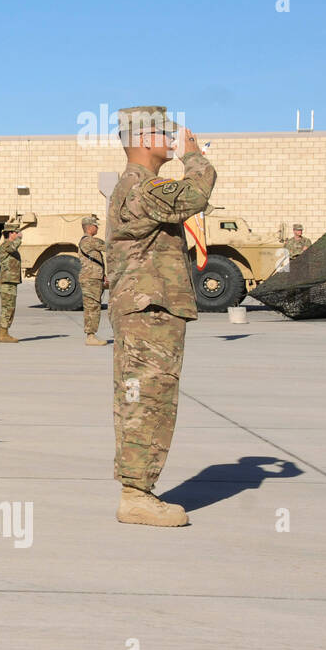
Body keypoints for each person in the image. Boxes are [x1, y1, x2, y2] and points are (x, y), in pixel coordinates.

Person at [108, 106, 216, 527]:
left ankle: (137, 491)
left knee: (145, 398)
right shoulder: (142, 187)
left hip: (148, 311)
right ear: (143, 139)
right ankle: (136, 495)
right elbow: (195, 195)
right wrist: (194, 156)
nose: (172, 139)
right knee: (146, 401)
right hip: (147, 312)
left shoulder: (137, 186)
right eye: (165, 133)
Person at [79, 214, 107, 346]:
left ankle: (91, 335)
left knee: (93, 306)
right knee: (92, 307)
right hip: (91, 279)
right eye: (96, 226)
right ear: (90, 227)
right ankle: (91, 336)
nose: (97, 229)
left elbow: (95, 262)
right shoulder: (89, 241)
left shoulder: (87, 241)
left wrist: (103, 275)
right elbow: (108, 247)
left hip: (93, 278)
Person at [0, 222, 23, 343]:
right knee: (7, 308)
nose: (18, 234)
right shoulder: (6, 245)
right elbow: (13, 247)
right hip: (7, 281)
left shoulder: (9, 245)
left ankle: (5, 333)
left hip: (11, 281)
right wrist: (19, 239)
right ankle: (2, 334)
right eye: (16, 232)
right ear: (11, 233)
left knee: (10, 308)